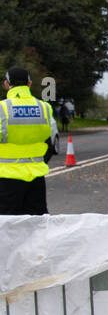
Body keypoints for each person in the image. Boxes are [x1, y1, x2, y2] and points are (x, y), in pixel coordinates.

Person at [0, 67, 58, 216]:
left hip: (7, 179)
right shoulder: (44, 108)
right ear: (29, 83)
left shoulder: (2, 109)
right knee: (37, 226)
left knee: (7, 227)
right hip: (36, 179)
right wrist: (37, 163)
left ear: (7, 84)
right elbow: (51, 143)